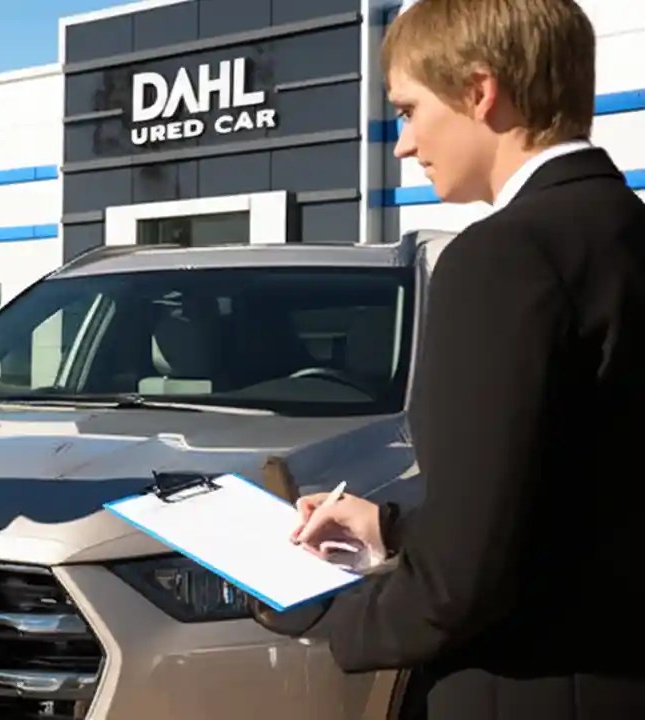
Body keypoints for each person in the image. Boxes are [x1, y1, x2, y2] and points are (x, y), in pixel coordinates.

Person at [257, 1, 645, 718]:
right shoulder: (624, 234)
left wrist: (316, 610)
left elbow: (459, 587)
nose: (402, 144)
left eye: (407, 109)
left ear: (479, 91)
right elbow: (580, 492)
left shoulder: (503, 258)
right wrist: (394, 528)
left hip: (528, 687)